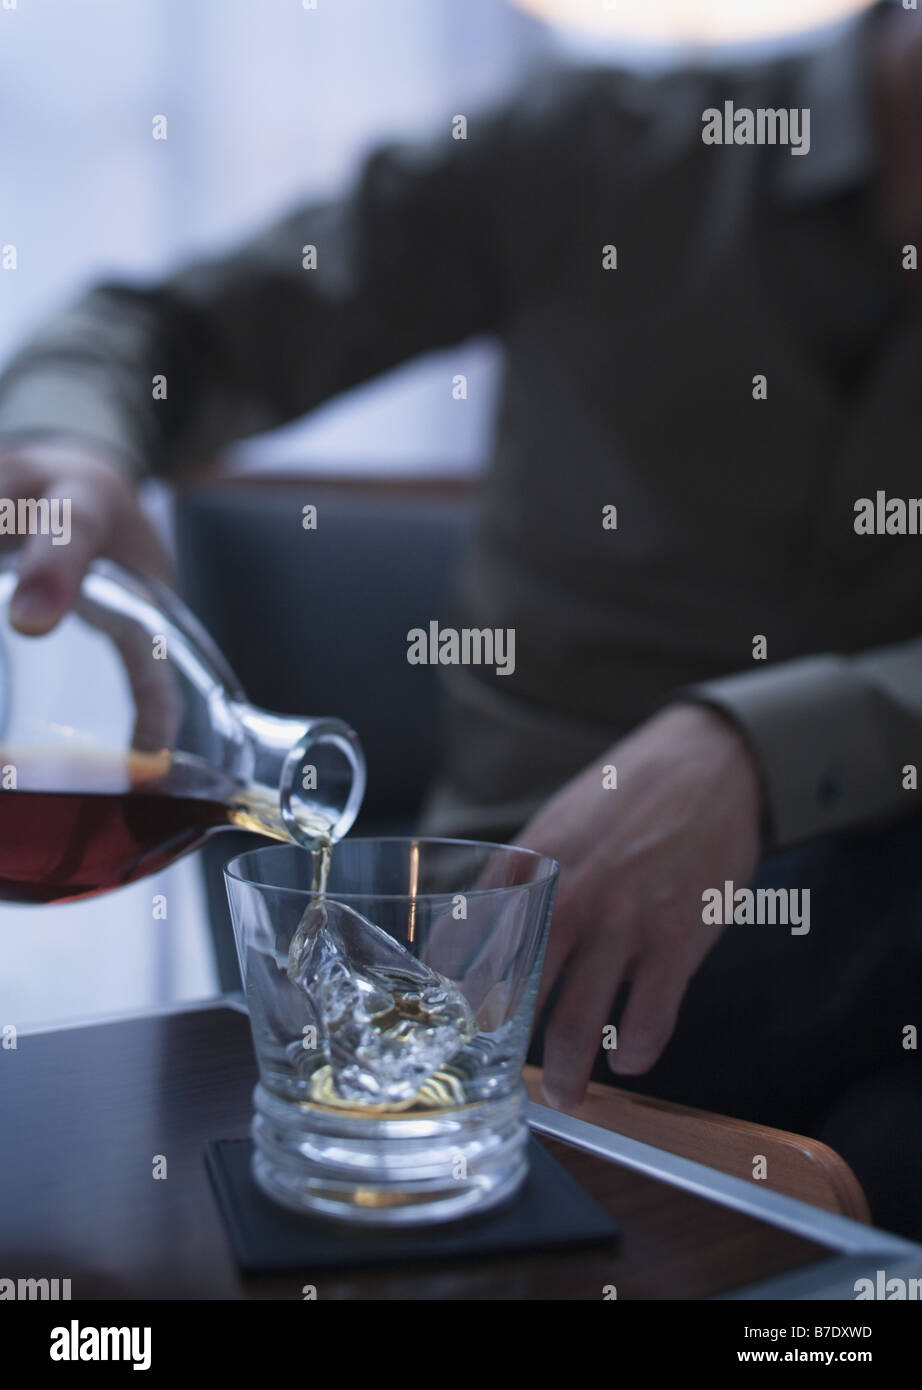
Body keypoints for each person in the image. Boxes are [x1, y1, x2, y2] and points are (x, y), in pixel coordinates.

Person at [2, 0, 921, 1234]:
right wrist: (74, 449)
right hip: (528, 966)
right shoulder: (589, 150)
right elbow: (158, 332)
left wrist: (766, 749)